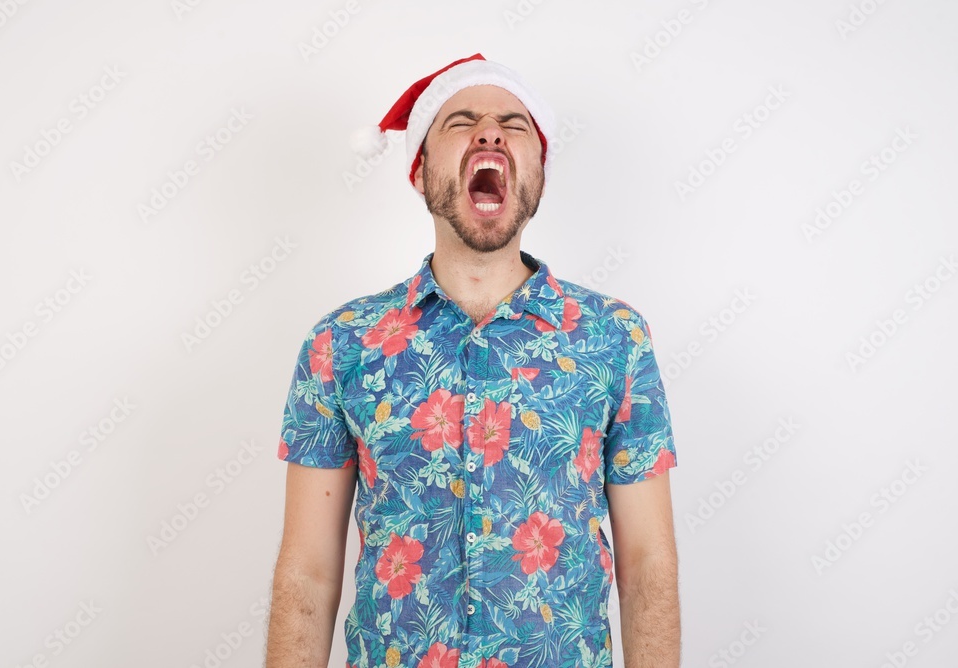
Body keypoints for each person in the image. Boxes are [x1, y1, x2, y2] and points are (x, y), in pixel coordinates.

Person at [265, 53, 680, 668]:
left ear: (538, 171)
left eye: (515, 125)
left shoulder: (616, 338)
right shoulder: (342, 343)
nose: (490, 132)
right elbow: (307, 572)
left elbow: (648, 566)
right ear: (420, 168)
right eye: (460, 121)